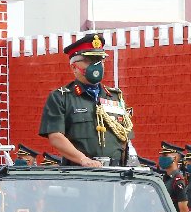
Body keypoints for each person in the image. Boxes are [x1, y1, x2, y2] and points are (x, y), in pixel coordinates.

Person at [39, 32, 134, 167]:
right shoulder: (62, 97)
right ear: (74, 67)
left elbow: (124, 137)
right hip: (81, 174)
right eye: (89, 61)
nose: (96, 66)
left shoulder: (114, 96)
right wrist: (83, 159)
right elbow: (56, 137)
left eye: (99, 60)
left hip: (114, 174)